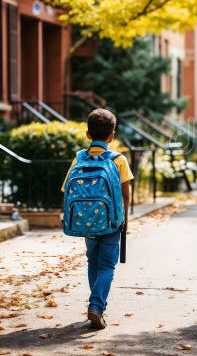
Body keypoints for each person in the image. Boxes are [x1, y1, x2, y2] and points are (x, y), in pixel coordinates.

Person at [61, 109, 133, 329]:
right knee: (107, 267)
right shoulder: (118, 159)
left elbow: (66, 189)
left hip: (85, 221)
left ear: (87, 134)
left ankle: (97, 304)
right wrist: (125, 222)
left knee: (93, 262)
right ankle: (96, 305)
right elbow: (126, 195)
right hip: (111, 222)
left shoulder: (78, 158)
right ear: (112, 135)